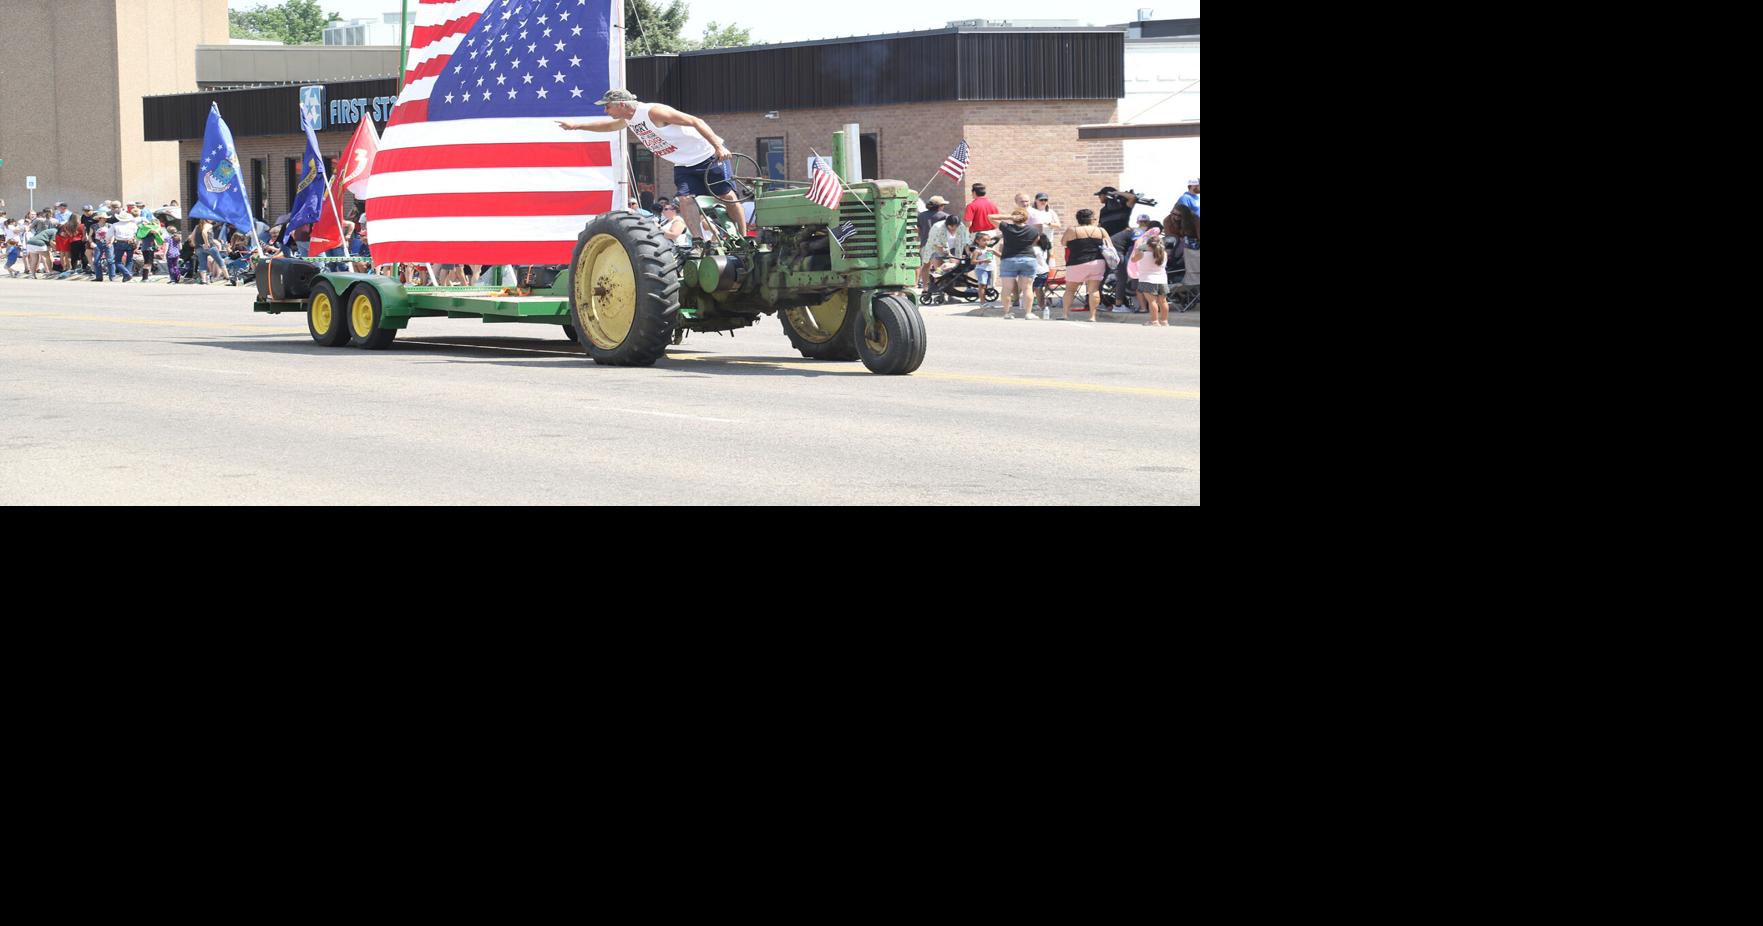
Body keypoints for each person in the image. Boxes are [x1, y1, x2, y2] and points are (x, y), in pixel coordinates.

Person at [559, 89, 745, 237]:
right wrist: (576, 126)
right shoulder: (628, 119)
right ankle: (698, 241)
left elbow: (696, 121)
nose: (605, 111)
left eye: (607, 107)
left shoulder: (652, 112)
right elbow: (608, 127)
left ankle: (744, 236)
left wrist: (718, 148)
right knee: (685, 199)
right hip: (683, 164)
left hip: (707, 156)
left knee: (727, 196)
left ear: (622, 104)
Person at [987, 208, 1043, 320]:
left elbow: (990, 217)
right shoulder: (1033, 230)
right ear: (1026, 218)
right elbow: (1036, 240)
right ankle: (1028, 313)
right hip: (1028, 259)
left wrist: (1010, 217)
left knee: (1007, 288)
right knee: (1027, 288)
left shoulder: (1007, 228)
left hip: (1009, 259)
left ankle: (1007, 313)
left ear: (1014, 218)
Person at [1061, 208, 1108, 321]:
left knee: (1070, 290)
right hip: (1097, 262)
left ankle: (1065, 315)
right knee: (1094, 290)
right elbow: (1108, 244)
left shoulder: (1072, 230)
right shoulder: (1101, 230)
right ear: (1092, 219)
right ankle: (1092, 316)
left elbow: (1063, 243)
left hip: (1077, 262)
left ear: (1078, 219)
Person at [1133, 223, 1170, 326]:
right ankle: (1164, 321)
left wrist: (1137, 249)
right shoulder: (1164, 254)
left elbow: (1133, 260)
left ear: (1148, 245)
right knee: (1163, 301)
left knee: (1152, 302)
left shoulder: (1142, 254)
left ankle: (1154, 321)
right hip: (1162, 279)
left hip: (1147, 279)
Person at [917, 195, 951, 288]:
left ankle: (925, 287)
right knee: (940, 267)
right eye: (943, 205)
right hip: (939, 246)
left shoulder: (921, 216)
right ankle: (939, 287)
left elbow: (918, 230)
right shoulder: (945, 216)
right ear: (940, 206)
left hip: (925, 244)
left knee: (925, 266)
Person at [968, 232, 998, 307]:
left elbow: (998, 256)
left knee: (986, 286)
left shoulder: (989, 250)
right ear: (978, 241)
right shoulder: (977, 251)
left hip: (989, 269)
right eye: (984, 240)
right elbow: (972, 261)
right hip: (981, 269)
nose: (986, 242)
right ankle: (982, 303)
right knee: (982, 285)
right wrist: (983, 261)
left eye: (988, 240)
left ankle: (984, 301)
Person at [1032, 233, 1054, 320]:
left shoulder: (1035, 249)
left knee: (1036, 289)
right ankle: (1042, 305)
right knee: (1039, 289)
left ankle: (1040, 305)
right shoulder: (1044, 249)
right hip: (1044, 270)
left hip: (1037, 271)